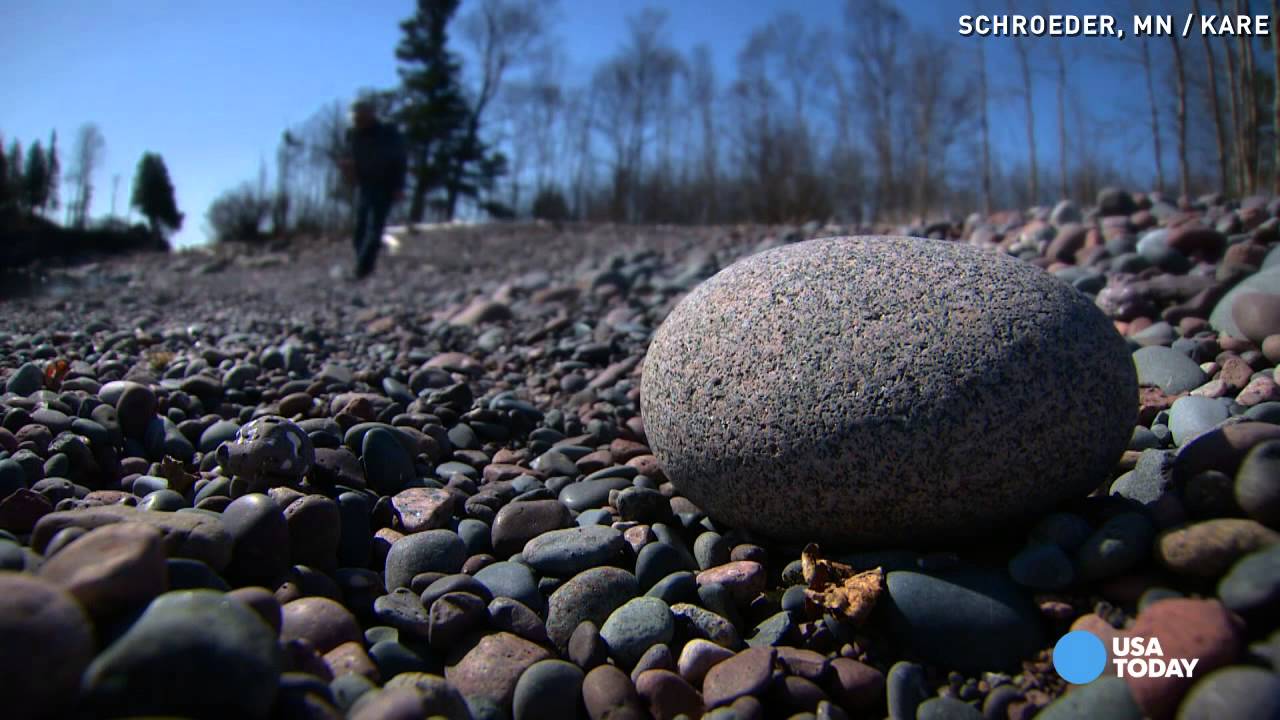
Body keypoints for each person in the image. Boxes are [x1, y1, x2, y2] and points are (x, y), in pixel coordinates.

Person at [341, 100, 407, 279]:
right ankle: (363, 265)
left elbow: (400, 160)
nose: (358, 122)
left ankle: (362, 270)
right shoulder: (352, 134)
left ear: (370, 115)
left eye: (361, 118)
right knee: (359, 232)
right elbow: (348, 156)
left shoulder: (387, 132)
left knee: (374, 228)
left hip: (385, 184)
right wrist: (348, 169)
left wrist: (399, 186)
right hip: (364, 185)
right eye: (355, 119)